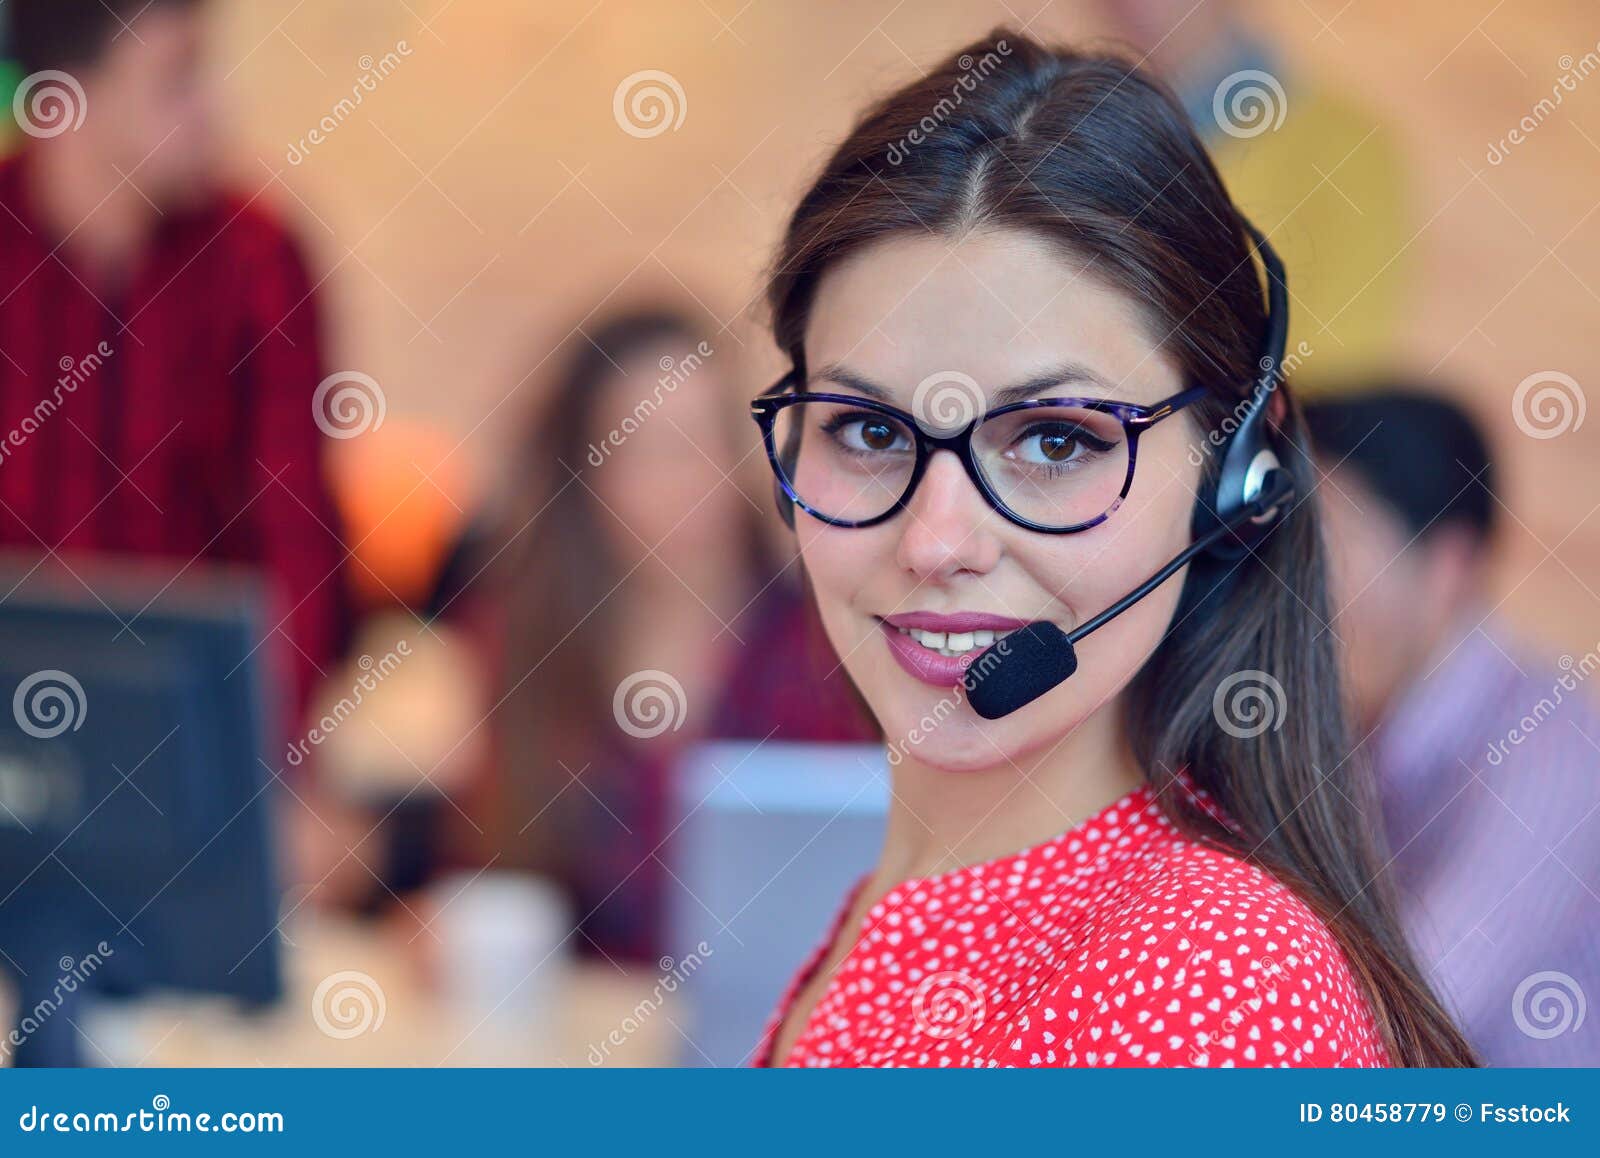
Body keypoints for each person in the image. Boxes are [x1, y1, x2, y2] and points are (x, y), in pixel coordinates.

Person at [747, 29, 1475, 1068]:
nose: (936, 541)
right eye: (868, 432)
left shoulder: (1211, 980)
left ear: (1231, 483)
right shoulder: (914, 898)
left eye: (1054, 441)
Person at [438, 306, 869, 963]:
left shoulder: (821, 652)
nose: (690, 483)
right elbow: (493, 871)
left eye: (708, 442)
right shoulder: (525, 646)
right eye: (649, 450)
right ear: (585, 478)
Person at [0, 0, 346, 726]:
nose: (212, 108)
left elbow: (297, 542)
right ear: (69, 95)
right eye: (177, 77)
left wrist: (271, 765)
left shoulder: (257, 258)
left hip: (191, 729)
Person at [1306, 388, 1600, 1066]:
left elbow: (1412, 1017)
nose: (1291, 594)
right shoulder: (1347, 719)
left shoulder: (1553, 748)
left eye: (1325, 548)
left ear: (1449, 566)